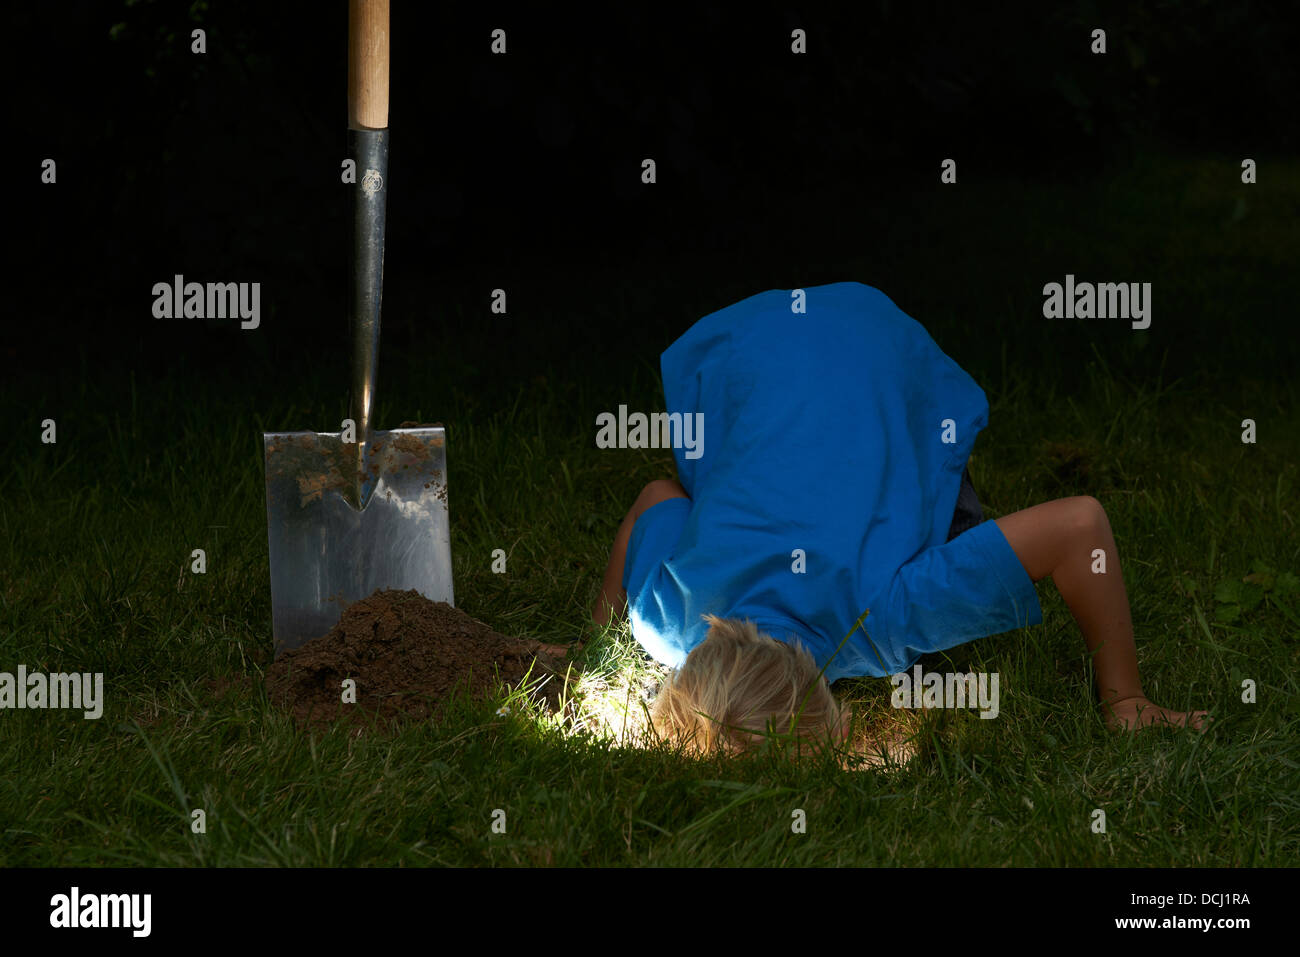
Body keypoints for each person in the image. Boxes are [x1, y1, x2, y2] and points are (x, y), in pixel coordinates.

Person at [591, 282, 1207, 754]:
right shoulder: (664, 615)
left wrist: (1125, 698)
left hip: (881, 346)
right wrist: (599, 634)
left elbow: (1080, 526)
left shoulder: (878, 619)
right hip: (763, 338)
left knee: (948, 521)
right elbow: (655, 497)